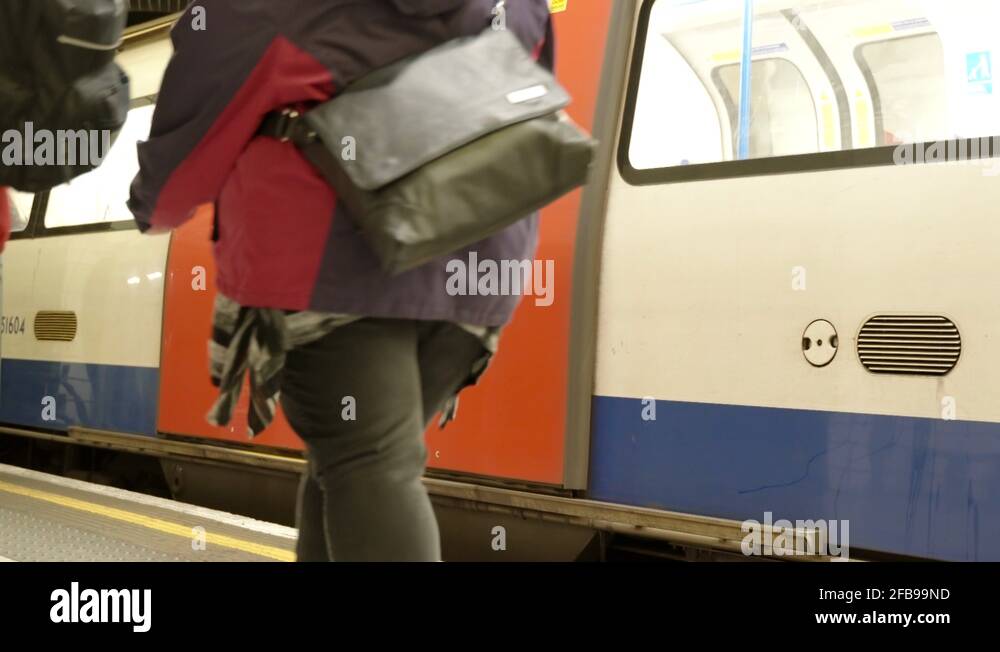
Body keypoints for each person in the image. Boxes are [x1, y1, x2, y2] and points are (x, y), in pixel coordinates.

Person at [129, 0, 555, 561]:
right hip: (478, 264)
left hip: (331, 273)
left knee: (369, 463)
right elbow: (531, 102)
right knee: (347, 459)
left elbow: (193, 133)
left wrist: (154, 208)